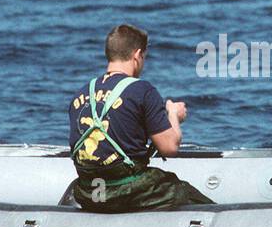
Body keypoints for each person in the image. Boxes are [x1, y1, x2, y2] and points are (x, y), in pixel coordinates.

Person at [67, 24, 213, 211]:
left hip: (89, 191)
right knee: (182, 190)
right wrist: (173, 115)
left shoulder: (80, 94)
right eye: (144, 56)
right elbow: (169, 147)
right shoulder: (142, 90)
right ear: (137, 55)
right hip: (127, 190)